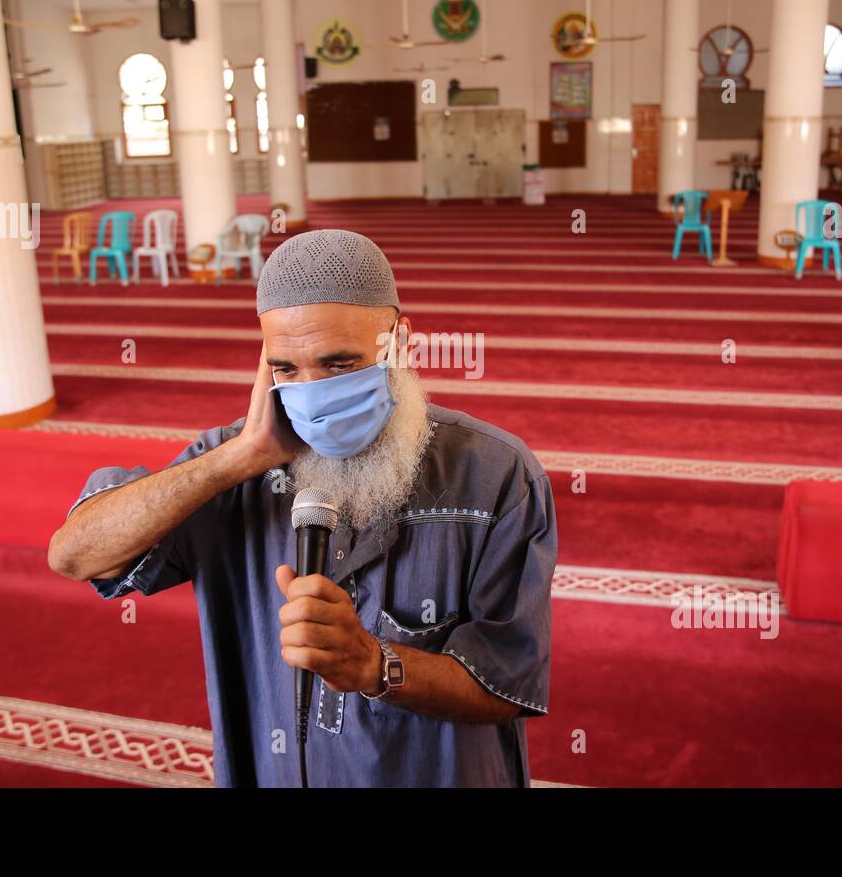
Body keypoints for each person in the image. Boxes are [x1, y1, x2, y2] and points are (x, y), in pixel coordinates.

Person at [47, 229, 557, 787]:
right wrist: (239, 457)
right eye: (287, 369)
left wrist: (374, 665)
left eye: (339, 366)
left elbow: (505, 686)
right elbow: (76, 556)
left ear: (398, 342)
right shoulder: (232, 466)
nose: (311, 392)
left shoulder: (495, 476)